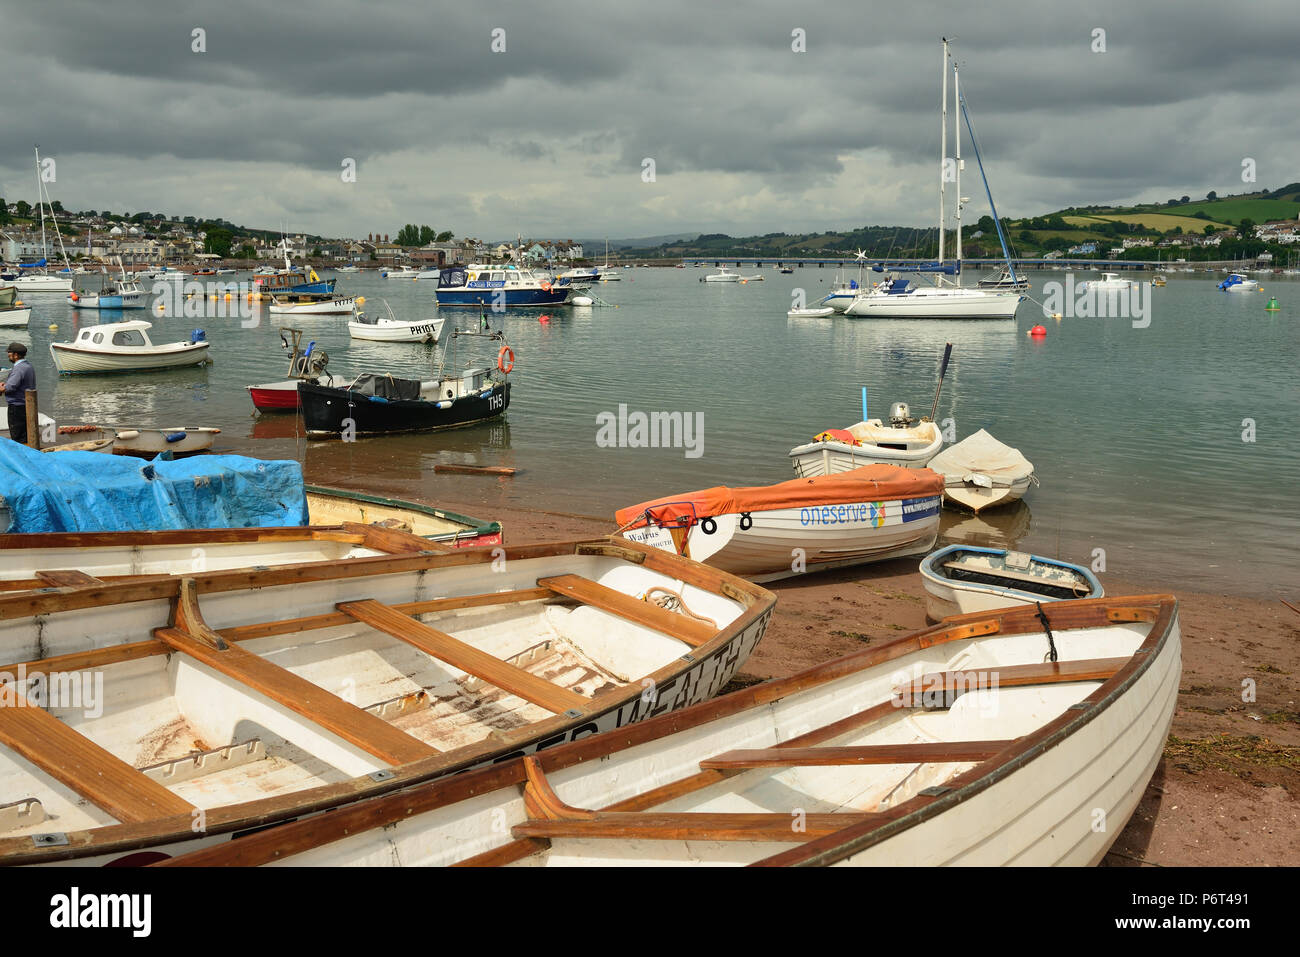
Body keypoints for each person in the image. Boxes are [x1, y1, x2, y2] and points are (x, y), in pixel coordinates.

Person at [4, 341, 36, 446]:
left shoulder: (19, 368)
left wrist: (3, 387)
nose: (8, 355)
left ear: (16, 355)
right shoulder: (28, 366)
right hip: (25, 406)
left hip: (16, 407)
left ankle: (21, 458)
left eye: (9, 353)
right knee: (25, 434)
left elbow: (10, 387)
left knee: (17, 437)